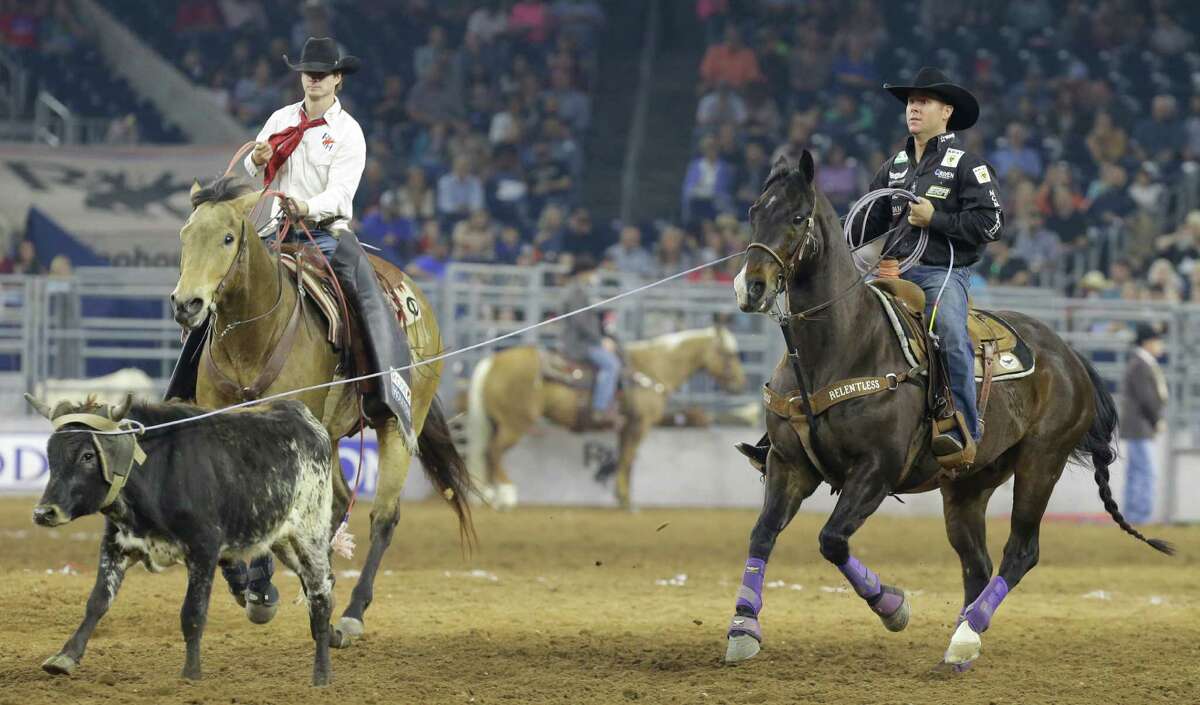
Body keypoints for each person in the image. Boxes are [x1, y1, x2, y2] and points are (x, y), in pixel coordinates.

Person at [165, 37, 411, 616]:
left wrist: (309, 206)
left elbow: (341, 194)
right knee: (223, 293)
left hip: (325, 233)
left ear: (338, 81)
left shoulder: (347, 134)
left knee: (360, 290)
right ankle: (184, 388)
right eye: (308, 74)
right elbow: (255, 173)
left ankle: (379, 378)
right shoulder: (280, 119)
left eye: (323, 75)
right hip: (274, 235)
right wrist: (254, 159)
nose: (314, 81)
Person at [737, 67, 1003, 472]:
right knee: (827, 321)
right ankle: (782, 433)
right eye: (911, 102)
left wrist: (936, 218)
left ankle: (964, 429)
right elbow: (862, 228)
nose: (913, 108)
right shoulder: (894, 167)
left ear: (946, 112)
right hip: (891, 272)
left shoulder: (967, 165)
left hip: (941, 274)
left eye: (924, 101)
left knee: (949, 330)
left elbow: (992, 225)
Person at [560, 255, 621, 427]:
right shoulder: (576, 293)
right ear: (584, 273)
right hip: (579, 344)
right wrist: (601, 340)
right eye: (593, 272)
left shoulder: (577, 290)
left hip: (582, 340)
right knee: (611, 364)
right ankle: (599, 408)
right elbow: (582, 322)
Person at [1120, 323, 1168, 524]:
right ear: (1148, 342)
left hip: (1137, 427)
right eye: (1157, 341)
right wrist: (1157, 419)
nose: (1160, 345)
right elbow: (1147, 398)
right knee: (1146, 472)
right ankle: (1140, 516)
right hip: (1141, 427)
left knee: (1136, 471)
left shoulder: (1138, 362)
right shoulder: (1141, 364)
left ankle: (1132, 514)